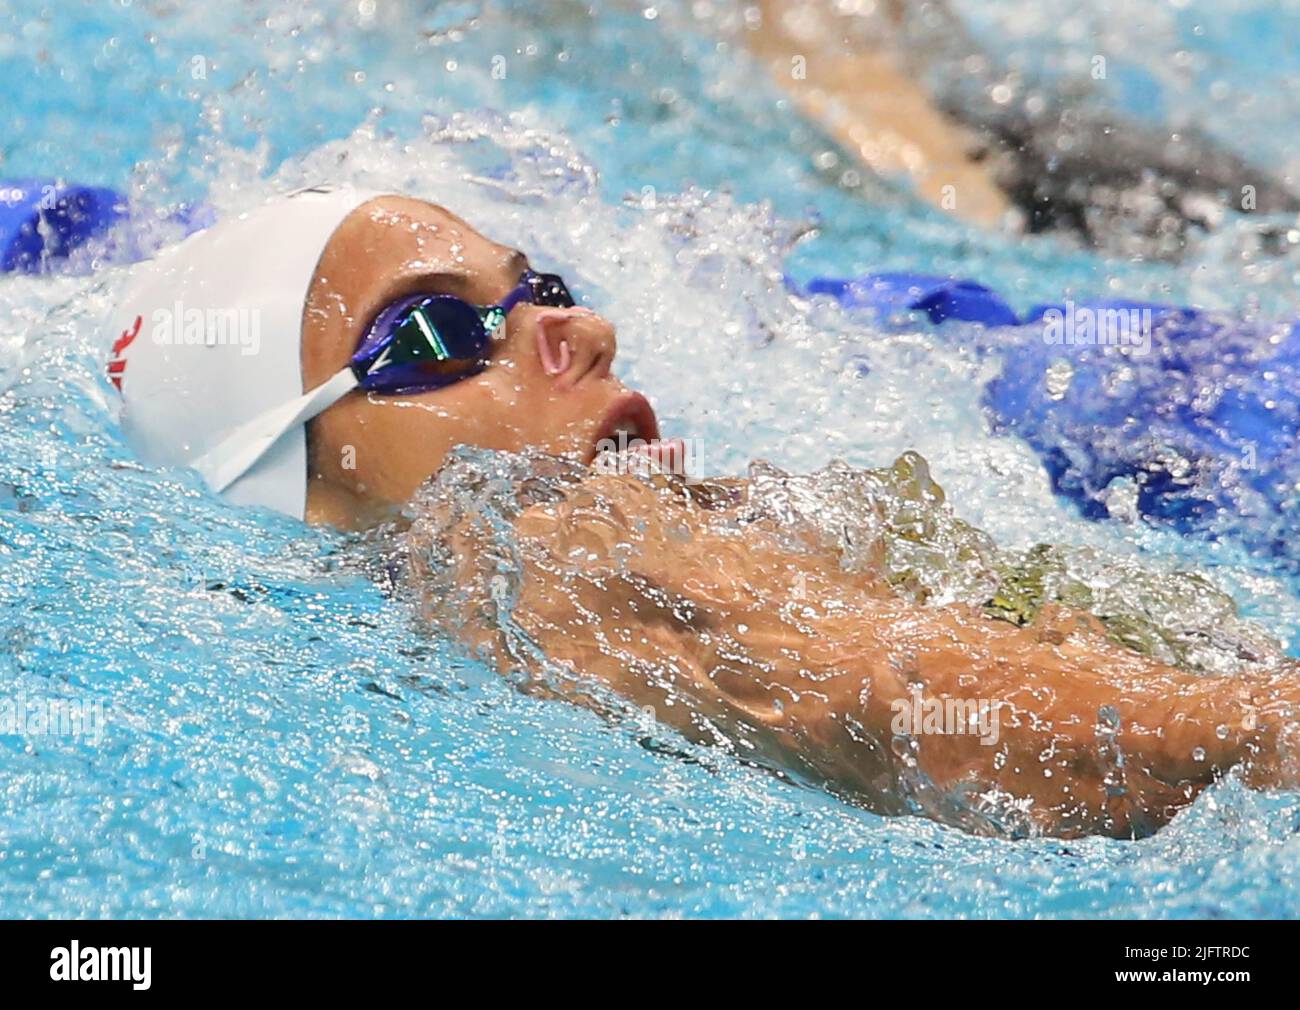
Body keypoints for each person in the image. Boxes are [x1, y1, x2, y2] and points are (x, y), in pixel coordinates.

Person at [106, 188, 1300, 839]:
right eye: (437, 332)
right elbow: (913, 702)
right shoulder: (531, 553)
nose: (578, 331)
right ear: (296, 482)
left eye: (542, 291)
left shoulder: (701, 520)